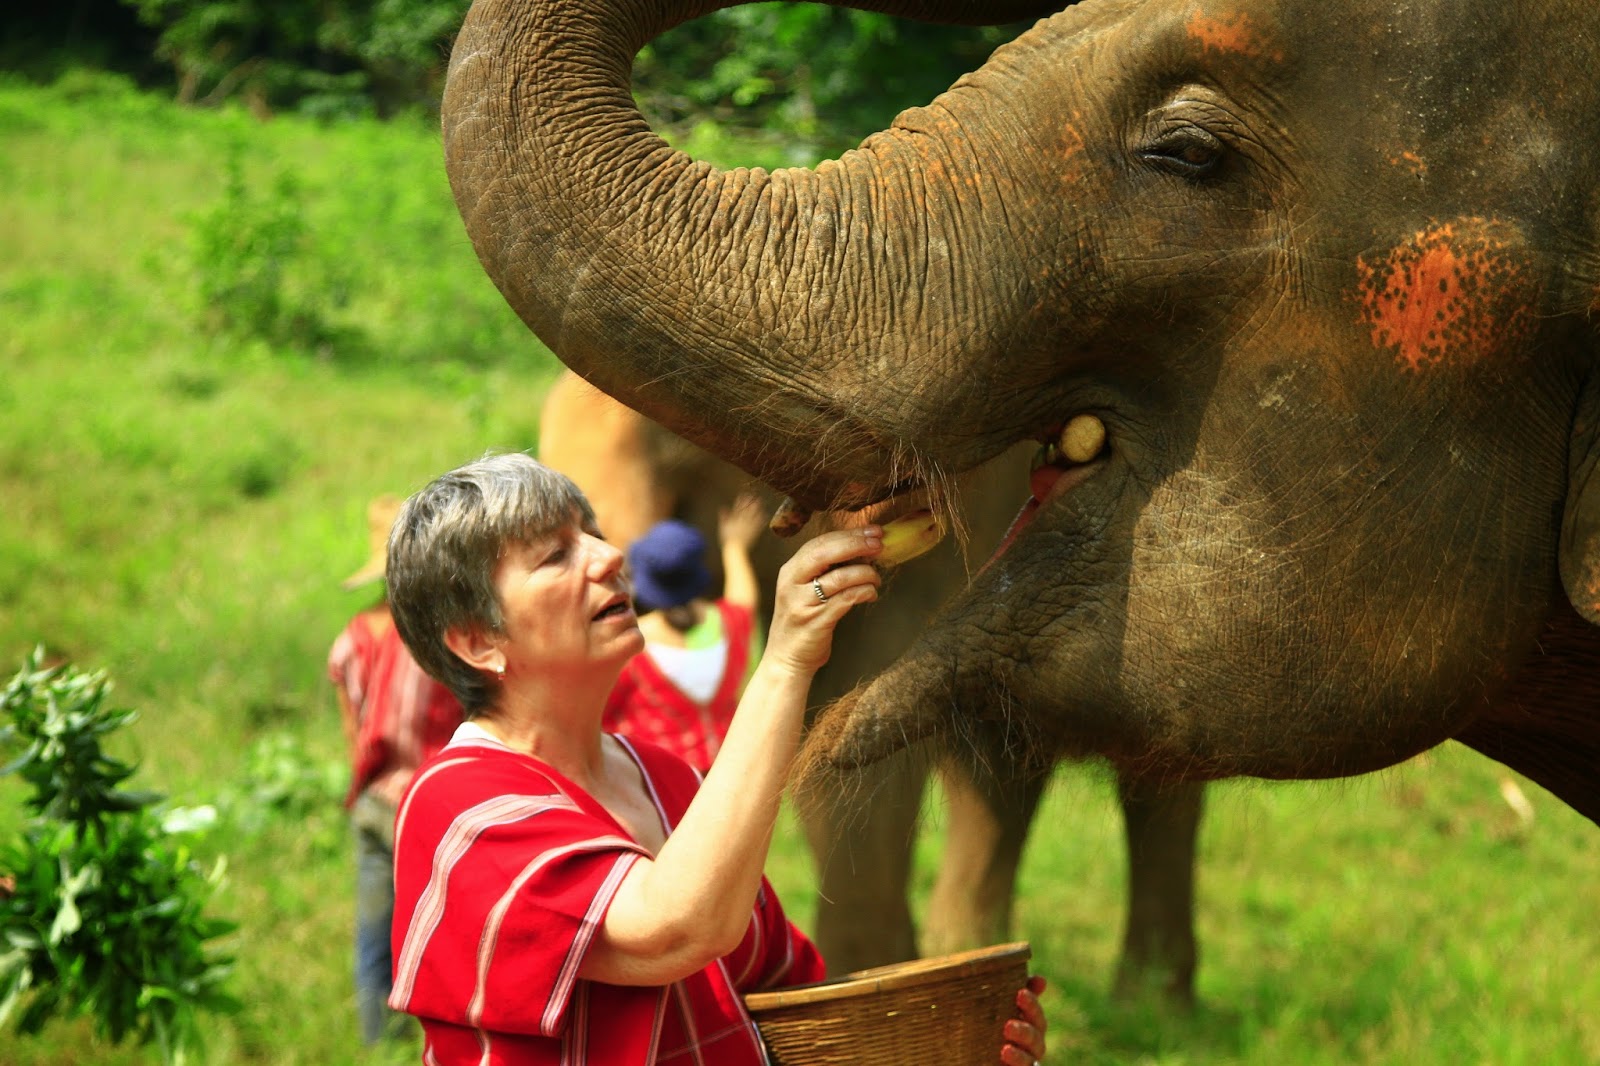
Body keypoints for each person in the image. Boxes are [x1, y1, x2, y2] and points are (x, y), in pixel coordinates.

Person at [382, 452, 1049, 1066]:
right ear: (478, 641)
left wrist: (955, 1045)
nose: (609, 557)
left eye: (593, 533)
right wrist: (785, 662)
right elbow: (672, 931)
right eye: (555, 555)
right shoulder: (462, 808)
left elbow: (794, 1016)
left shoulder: (673, 780)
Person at [326, 494, 465, 1045]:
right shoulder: (442, 638)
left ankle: (377, 1044)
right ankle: (445, 1042)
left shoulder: (351, 639)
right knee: (444, 936)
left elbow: (351, 735)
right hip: (433, 808)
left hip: (372, 802)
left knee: (374, 936)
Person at [603, 494, 766, 771]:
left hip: (661, 779)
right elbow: (744, 599)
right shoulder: (731, 623)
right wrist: (734, 547)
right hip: (727, 771)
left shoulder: (630, 646)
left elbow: (600, 714)